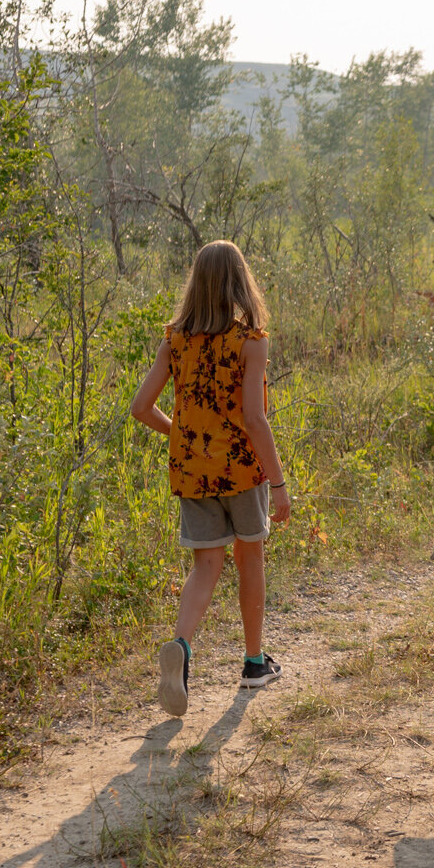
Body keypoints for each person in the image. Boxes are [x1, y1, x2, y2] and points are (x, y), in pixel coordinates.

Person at [129, 240, 293, 717]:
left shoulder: (174, 340)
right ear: (240, 282)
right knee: (250, 558)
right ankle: (254, 663)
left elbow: (141, 408)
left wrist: (180, 433)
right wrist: (279, 484)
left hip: (192, 471)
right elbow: (254, 419)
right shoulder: (251, 341)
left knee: (205, 566)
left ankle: (181, 645)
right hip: (242, 469)